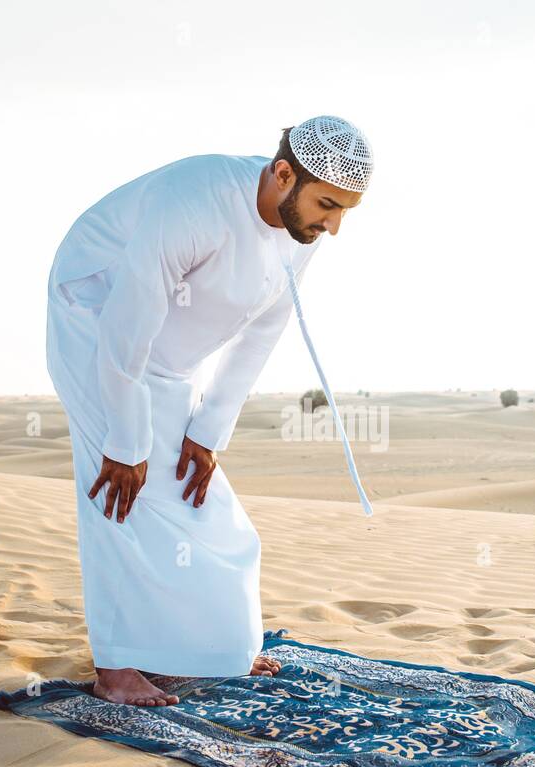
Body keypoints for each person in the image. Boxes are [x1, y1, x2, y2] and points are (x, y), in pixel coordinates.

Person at [45, 116, 374, 706]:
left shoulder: (302, 235)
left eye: (345, 211)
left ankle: (219, 647)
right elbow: (126, 325)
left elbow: (262, 334)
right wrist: (125, 439)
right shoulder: (195, 201)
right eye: (328, 205)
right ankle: (115, 670)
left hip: (168, 361)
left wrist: (209, 429)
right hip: (96, 329)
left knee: (204, 500)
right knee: (119, 495)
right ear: (282, 175)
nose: (335, 225)